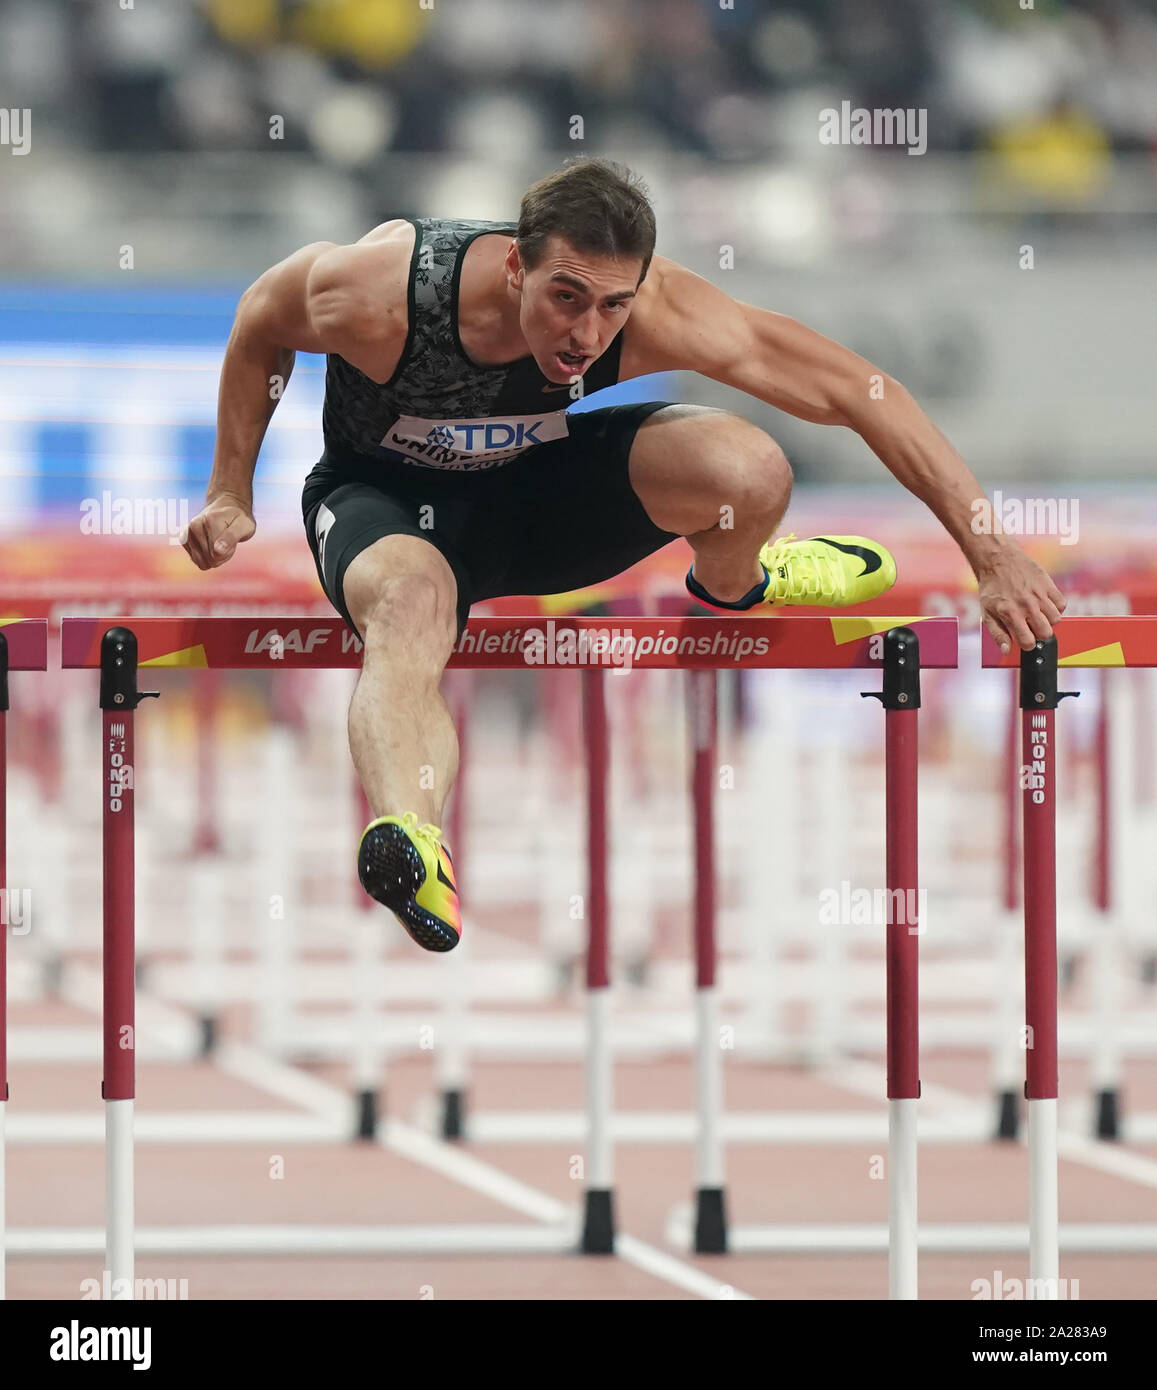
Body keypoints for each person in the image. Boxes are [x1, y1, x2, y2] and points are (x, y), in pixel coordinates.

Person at [182, 157, 1066, 953]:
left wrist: (991, 555)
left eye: (613, 304)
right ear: (514, 265)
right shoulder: (384, 292)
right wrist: (230, 490)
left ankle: (742, 582)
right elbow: (262, 319)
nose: (586, 333)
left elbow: (857, 389)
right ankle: (411, 840)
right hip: (383, 505)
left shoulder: (657, 309)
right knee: (409, 609)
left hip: (540, 499)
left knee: (746, 467)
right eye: (565, 297)